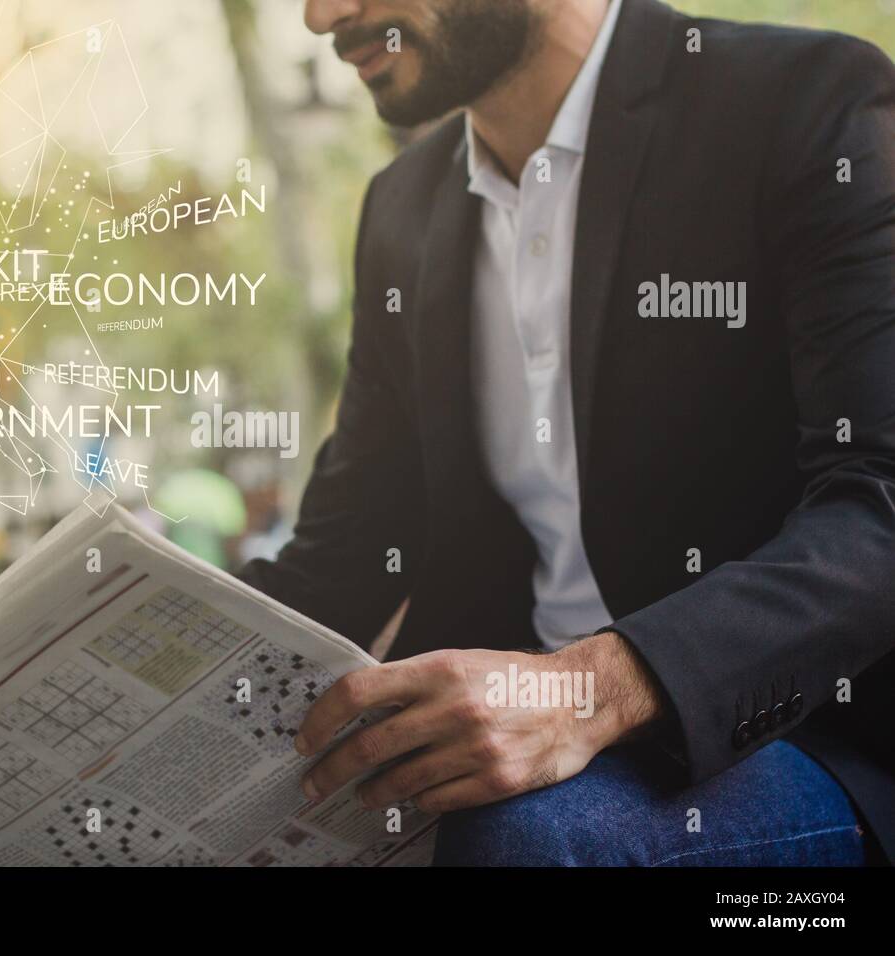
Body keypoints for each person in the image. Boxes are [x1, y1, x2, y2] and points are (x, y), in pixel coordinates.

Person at [236, 0, 895, 865]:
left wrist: (589, 691)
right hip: (513, 736)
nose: (325, 16)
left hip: (812, 741)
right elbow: (343, 558)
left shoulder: (809, 104)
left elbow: (878, 504)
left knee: (517, 842)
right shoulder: (403, 208)